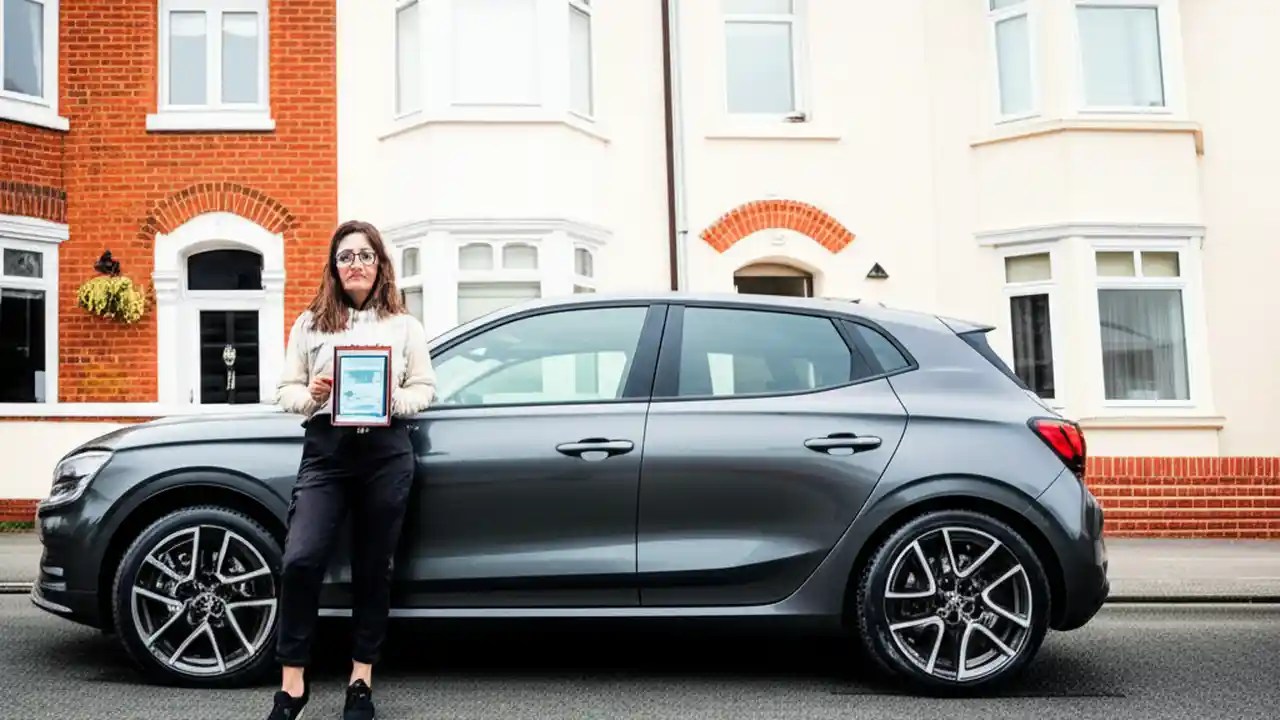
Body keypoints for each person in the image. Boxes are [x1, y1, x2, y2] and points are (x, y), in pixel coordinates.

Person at [266, 219, 436, 720]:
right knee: (300, 560)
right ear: (334, 268)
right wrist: (311, 396)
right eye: (346, 257)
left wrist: (394, 399)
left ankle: (360, 683)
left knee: (372, 569)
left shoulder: (405, 326)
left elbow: (425, 389)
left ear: (380, 264)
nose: (355, 264)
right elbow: (284, 391)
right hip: (328, 453)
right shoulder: (309, 323)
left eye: (365, 255)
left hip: (385, 451)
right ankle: (292, 686)